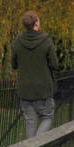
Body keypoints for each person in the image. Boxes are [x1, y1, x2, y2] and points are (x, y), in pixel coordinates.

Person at [11, 10, 59, 138]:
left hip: (25, 89)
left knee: (30, 120)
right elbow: (55, 64)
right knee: (47, 117)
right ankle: (36, 145)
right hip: (43, 89)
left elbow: (14, 64)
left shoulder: (18, 41)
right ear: (36, 23)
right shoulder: (46, 40)